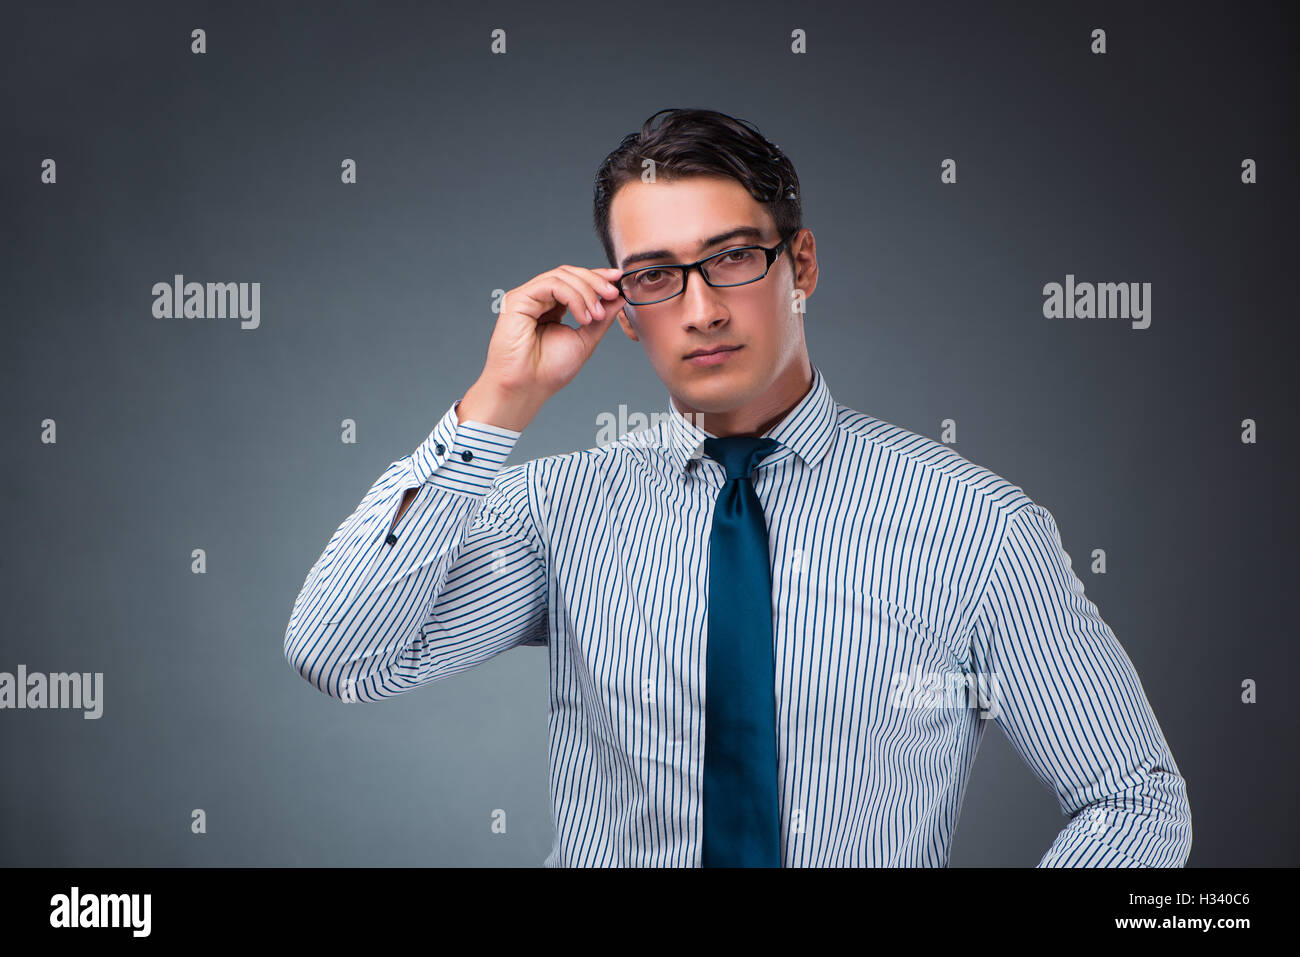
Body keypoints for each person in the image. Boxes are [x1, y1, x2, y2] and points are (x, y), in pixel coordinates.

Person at [283, 107, 1192, 867]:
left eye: (730, 258)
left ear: (800, 265)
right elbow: (342, 655)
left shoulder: (975, 527)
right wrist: (498, 403)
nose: (702, 308)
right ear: (625, 311)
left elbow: (1133, 800)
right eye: (656, 276)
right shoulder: (557, 511)